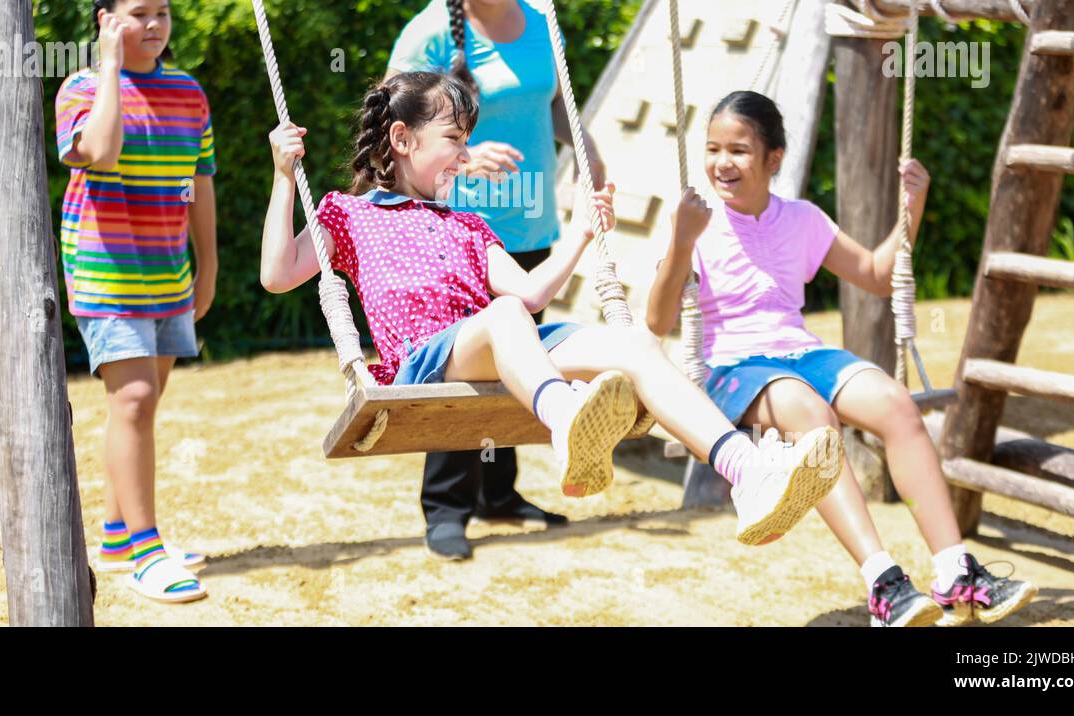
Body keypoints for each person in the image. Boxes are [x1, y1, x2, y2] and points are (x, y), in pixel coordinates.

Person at [259, 70, 845, 552]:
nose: (464, 156)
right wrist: (286, 178)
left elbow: (533, 293)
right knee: (506, 316)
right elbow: (278, 273)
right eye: (453, 139)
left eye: (466, 140)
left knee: (636, 346)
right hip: (428, 360)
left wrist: (582, 234)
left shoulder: (468, 224)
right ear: (403, 138)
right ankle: (568, 420)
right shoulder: (347, 214)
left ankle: (746, 472)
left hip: (500, 340)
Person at [646, 90, 1037, 627]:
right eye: (713, 149)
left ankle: (954, 572)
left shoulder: (803, 219)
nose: (721, 163)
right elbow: (657, 321)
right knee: (812, 416)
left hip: (801, 352)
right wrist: (682, 241)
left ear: (773, 159)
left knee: (896, 405)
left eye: (737, 150)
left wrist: (911, 209)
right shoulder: (696, 222)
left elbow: (876, 274)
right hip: (732, 367)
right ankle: (884, 582)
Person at [385, 0, 610, 559]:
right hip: (453, 228)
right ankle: (446, 508)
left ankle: (499, 492)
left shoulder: (541, 17)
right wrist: (461, 152)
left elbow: (560, 104)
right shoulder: (429, 34)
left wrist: (594, 163)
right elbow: (392, 132)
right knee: (465, 365)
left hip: (532, 217)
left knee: (522, 359)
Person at [55, 0, 218, 604]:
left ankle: (119, 535)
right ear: (106, 22)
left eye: (162, 14)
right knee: (134, 401)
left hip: (168, 271)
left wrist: (207, 267)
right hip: (104, 268)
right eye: (139, 14)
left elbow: (200, 185)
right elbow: (100, 152)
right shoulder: (78, 89)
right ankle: (149, 552)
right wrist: (111, 72)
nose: (154, 26)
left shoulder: (189, 94)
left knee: (141, 406)